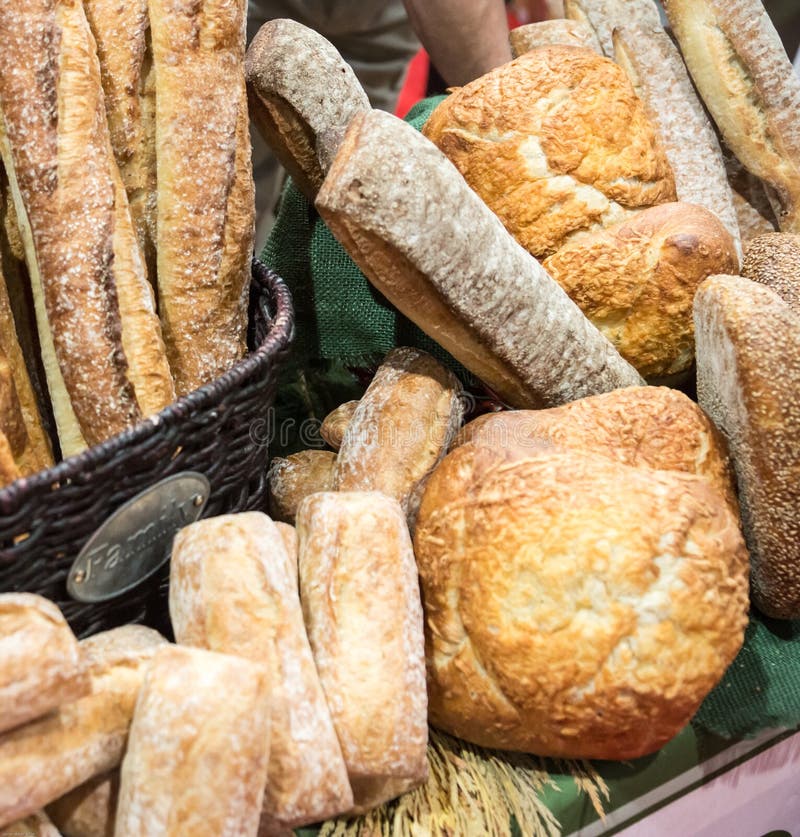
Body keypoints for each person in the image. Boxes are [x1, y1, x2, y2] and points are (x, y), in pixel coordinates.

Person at [247, 0, 514, 246]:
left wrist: (505, 141)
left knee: (350, 207)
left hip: (378, 19)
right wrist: (508, 142)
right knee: (236, 184)